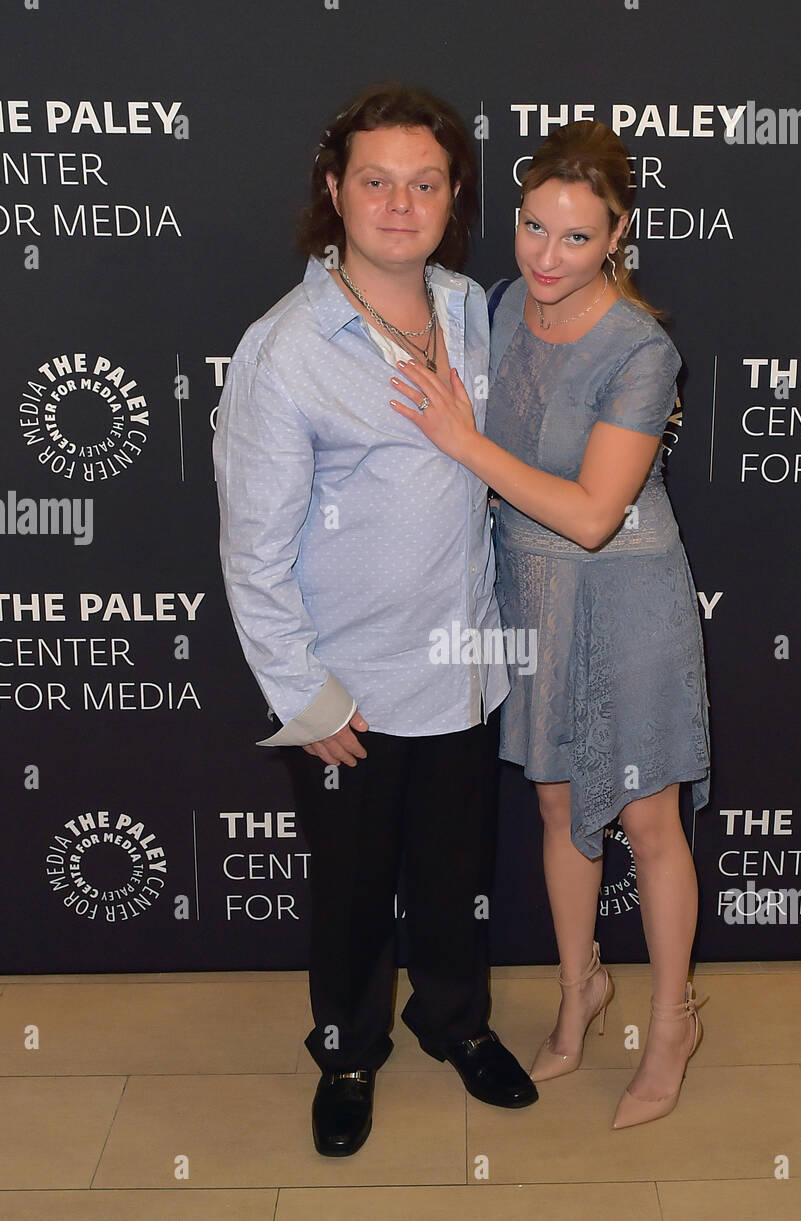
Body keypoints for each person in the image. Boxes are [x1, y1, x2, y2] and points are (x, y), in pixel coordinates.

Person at [213, 83, 537, 1159]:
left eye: (426, 183)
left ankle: (453, 1021)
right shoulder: (288, 346)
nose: (401, 203)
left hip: (462, 666)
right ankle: (348, 1053)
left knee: (454, 877)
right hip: (347, 685)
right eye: (377, 181)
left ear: (454, 197)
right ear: (334, 190)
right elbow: (253, 549)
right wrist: (304, 695)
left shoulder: (467, 310)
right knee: (352, 894)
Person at [389, 119, 711, 1131]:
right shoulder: (495, 307)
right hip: (525, 597)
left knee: (648, 821)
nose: (544, 255)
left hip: (624, 595)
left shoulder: (641, 351)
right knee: (556, 807)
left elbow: (587, 512)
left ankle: (672, 1021)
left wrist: (459, 440)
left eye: (575, 238)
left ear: (617, 235)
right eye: (533, 226)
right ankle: (581, 994)